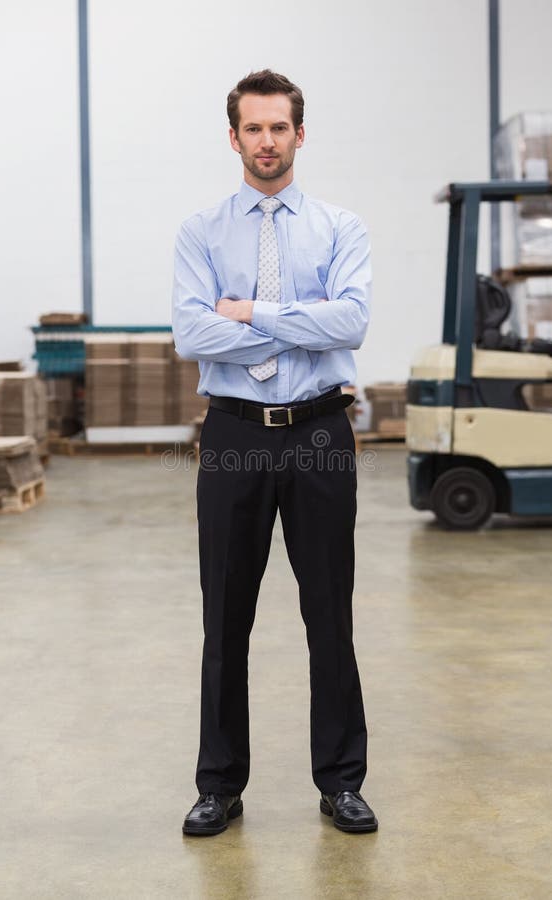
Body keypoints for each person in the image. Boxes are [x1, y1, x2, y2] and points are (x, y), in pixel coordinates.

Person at [172, 69, 377, 836]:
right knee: (225, 615)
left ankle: (341, 781)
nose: (267, 141)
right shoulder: (201, 231)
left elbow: (351, 324)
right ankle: (219, 785)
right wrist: (302, 318)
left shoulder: (340, 228)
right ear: (235, 138)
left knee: (330, 614)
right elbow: (193, 335)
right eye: (253, 129)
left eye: (279, 127)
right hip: (232, 434)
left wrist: (251, 312)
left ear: (300, 134)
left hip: (321, 428)